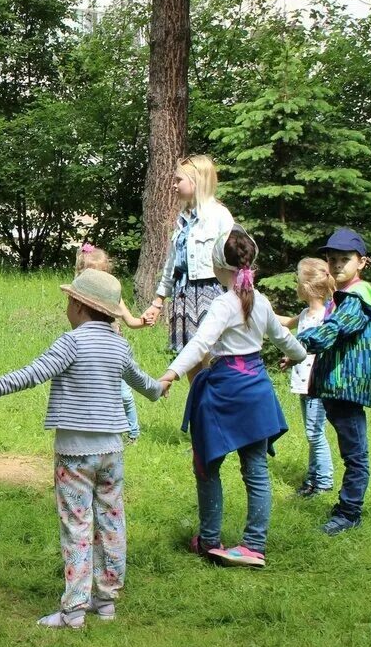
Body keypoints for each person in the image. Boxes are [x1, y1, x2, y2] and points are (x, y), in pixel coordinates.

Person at [0, 269, 165, 629]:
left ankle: (73, 611)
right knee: (111, 523)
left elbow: (33, 373)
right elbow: (144, 384)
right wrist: (161, 386)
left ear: (78, 305)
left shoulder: (71, 342)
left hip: (74, 454)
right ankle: (106, 602)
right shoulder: (119, 345)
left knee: (77, 526)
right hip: (111, 453)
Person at [158, 227, 307, 569]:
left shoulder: (223, 305)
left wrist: (171, 374)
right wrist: (297, 357)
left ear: (216, 267)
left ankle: (210, 539)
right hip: (256, 389)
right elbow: (286, 339)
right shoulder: (262, 303)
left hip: (225, 392)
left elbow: (199, 345)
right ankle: (254, 544)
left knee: (208, 465)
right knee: (255, 470)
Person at [292, 228, 371, 536]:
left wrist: (295, 344)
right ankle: (347, 507)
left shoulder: (357, 299)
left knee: (355, 455)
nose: (336, 266)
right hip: (334, 387)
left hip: (346, 389)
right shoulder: (343, 297)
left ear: (362, 262)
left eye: (345, 259)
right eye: (331, 260)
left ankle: (349, 513)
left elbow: (330, 331)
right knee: (350, 451)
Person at [140, 155, 236, 380]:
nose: (173, 185)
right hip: (184, 294)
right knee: (190, 359)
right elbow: (172, 263)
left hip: (212, 293)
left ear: (196, 182)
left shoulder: (219, 216)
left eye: (178, 180)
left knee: (213, 358)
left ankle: (217, 409)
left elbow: (236, 260)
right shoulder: (182, 218)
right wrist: (158, 301)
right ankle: (198, 409)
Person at [75, 243, 152, 443]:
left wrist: (143, 321)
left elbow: (131, 321)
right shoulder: (79, 297)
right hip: (91, 352)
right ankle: (97, 431)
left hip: (113, 352)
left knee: (124, 395)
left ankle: (133, 433)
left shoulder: (112, 295)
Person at [281, 257, 336, 498]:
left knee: (315, 433)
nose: (296, 284)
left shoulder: (326, 316)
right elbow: (284, 323)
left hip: (316, 384)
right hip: (303, 385)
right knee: (312, 432)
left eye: (298, 280)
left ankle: (323, 482)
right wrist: (257, 308)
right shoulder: (305, 314)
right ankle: (312, 480)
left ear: (307, 286)